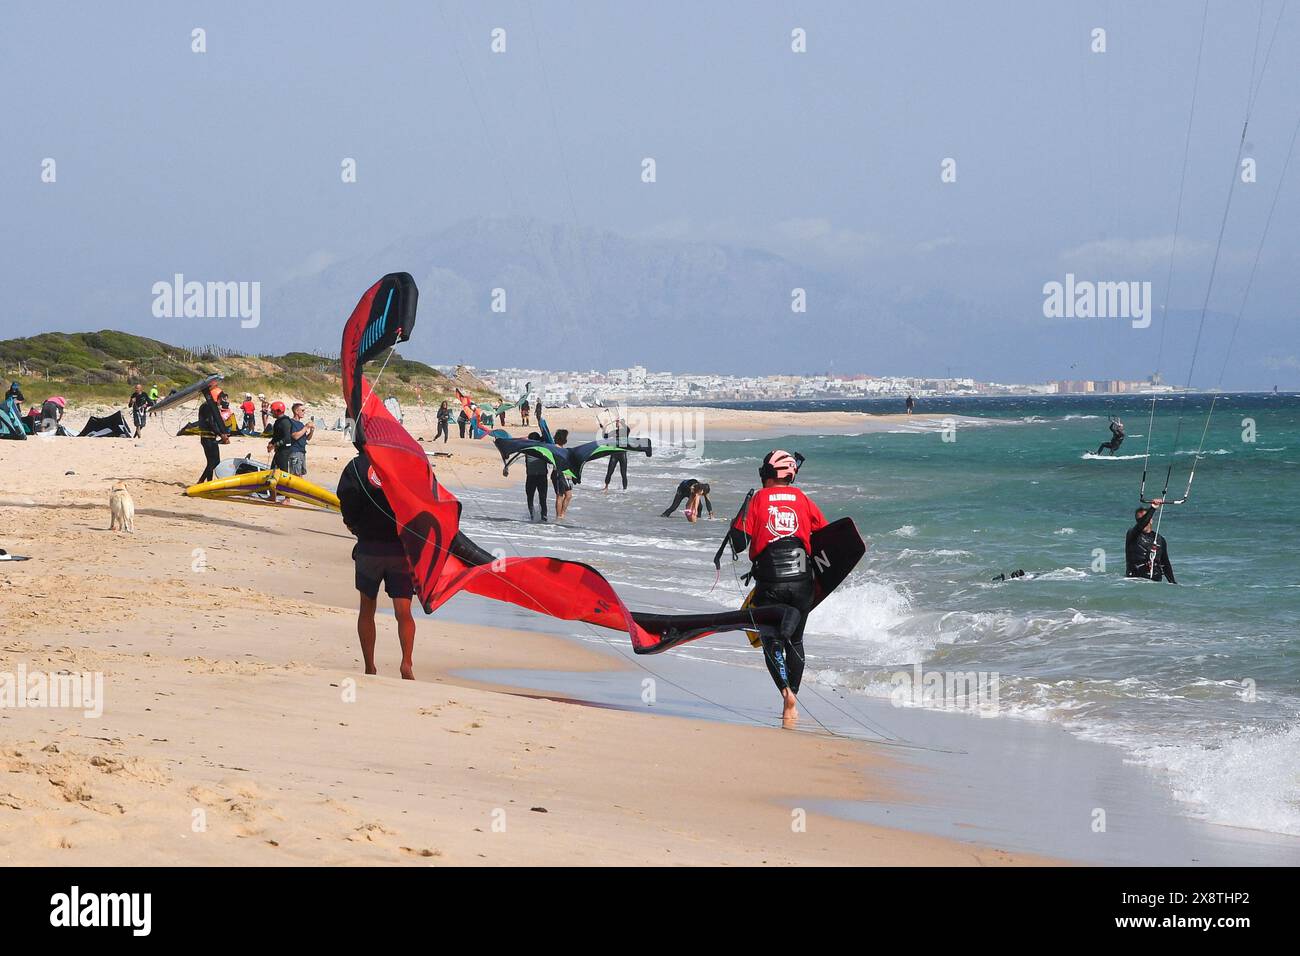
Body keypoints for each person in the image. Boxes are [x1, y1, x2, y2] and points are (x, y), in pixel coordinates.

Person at [728, 450, 824, 724]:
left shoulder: (758, 499)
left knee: (772, 640)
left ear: (768, 474)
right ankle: (792, 699)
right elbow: (826, 533)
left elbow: (738, 543)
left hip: (770, 583)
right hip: (802, 583)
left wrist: (744, 510)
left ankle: (785, 693)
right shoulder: (804, 499)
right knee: (796, 640)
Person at [338, 452, 418, 679]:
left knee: (367, 609)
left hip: (369, 547)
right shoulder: (403, 462)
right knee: (403, 611)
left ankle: (370, 666)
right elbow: (419, 500)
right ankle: (407, 663)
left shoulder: (357, 464)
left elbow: (347, 497)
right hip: (399, 550)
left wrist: (354, 526)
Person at [1126, 499, 1176, 583]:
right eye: (1139, 520)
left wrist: (1173, 583)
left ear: (1151, 520)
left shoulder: (1160, 539)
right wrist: (1153, 507)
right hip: (1135, 580)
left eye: (1146, 519)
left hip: (1155, 582)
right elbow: (1142, 523)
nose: (1143, 523)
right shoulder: (1132, 534)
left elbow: (1165, 564)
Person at [196, 382, 228, 483]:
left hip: (210, 438)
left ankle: (209, 482)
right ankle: (201, 482)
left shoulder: (210, 406)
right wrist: (221, 434)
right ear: (215, 397)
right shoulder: (208, 407)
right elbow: (210, 423)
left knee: (213, 462)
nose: (221, 401)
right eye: (220, 398)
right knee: (214, 462)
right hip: (207, 438)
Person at [523, 432, 549, 521]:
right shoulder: (544, 449)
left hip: (531, 476)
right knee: (543, 498)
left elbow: (512, 450)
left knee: (530, 497)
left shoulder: (526, 449)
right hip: (542, 476)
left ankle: (532, 515)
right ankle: (544, 516)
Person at [602, 415, 630, 492]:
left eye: (618, 423)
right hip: (614, 454)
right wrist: (603, 429)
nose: (616, 424)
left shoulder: (625, 431)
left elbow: (627, 428)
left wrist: (620, 421)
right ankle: (606, 487)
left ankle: (625, 489)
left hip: (622, 454)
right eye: (616, 422)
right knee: (609, 471)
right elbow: (605, 436)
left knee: (623, 473)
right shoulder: (614, 432)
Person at [551, 429, 573, 520]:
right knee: (560, 496)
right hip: (558, 474)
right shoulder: (555, 448)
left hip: (565, 474)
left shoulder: (562, 448)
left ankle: (562, 515)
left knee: (568, 495)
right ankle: (558, 516)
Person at [287, 403, 314, 476]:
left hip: (302, 451)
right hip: (295, 452)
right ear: (296, 411)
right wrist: (306, 427)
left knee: (300, 474)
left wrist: (311, 431)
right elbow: (295, 436)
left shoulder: (301, 424)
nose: (304, 412)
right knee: (295, 474)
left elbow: (307, 438)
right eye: (302, 410)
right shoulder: (291, 422)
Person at [267, 401, 294, 471]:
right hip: (279, 450)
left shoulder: (285, 422)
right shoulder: (277, 422)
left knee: (283, 470)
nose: (271, 412)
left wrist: (275, 445)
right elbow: (276, 436)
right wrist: (271, 443)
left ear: (278, 411)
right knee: (273, 469)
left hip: (285, 450)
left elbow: (287, 438)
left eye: (273, 411)